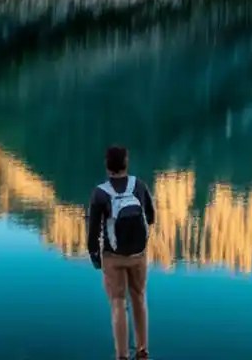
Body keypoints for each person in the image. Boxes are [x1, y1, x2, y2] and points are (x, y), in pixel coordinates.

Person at [87, 145, 155, 360]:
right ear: (126, 163)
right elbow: (151, 217)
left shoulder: (100, 193)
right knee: (139, 298)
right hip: (138, 254)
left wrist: (95, 258)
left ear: (107, 167)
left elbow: (93, 232)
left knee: (118, 302)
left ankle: (122, 355)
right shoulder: (139, 186)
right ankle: (142, 350)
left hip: (112, 257)